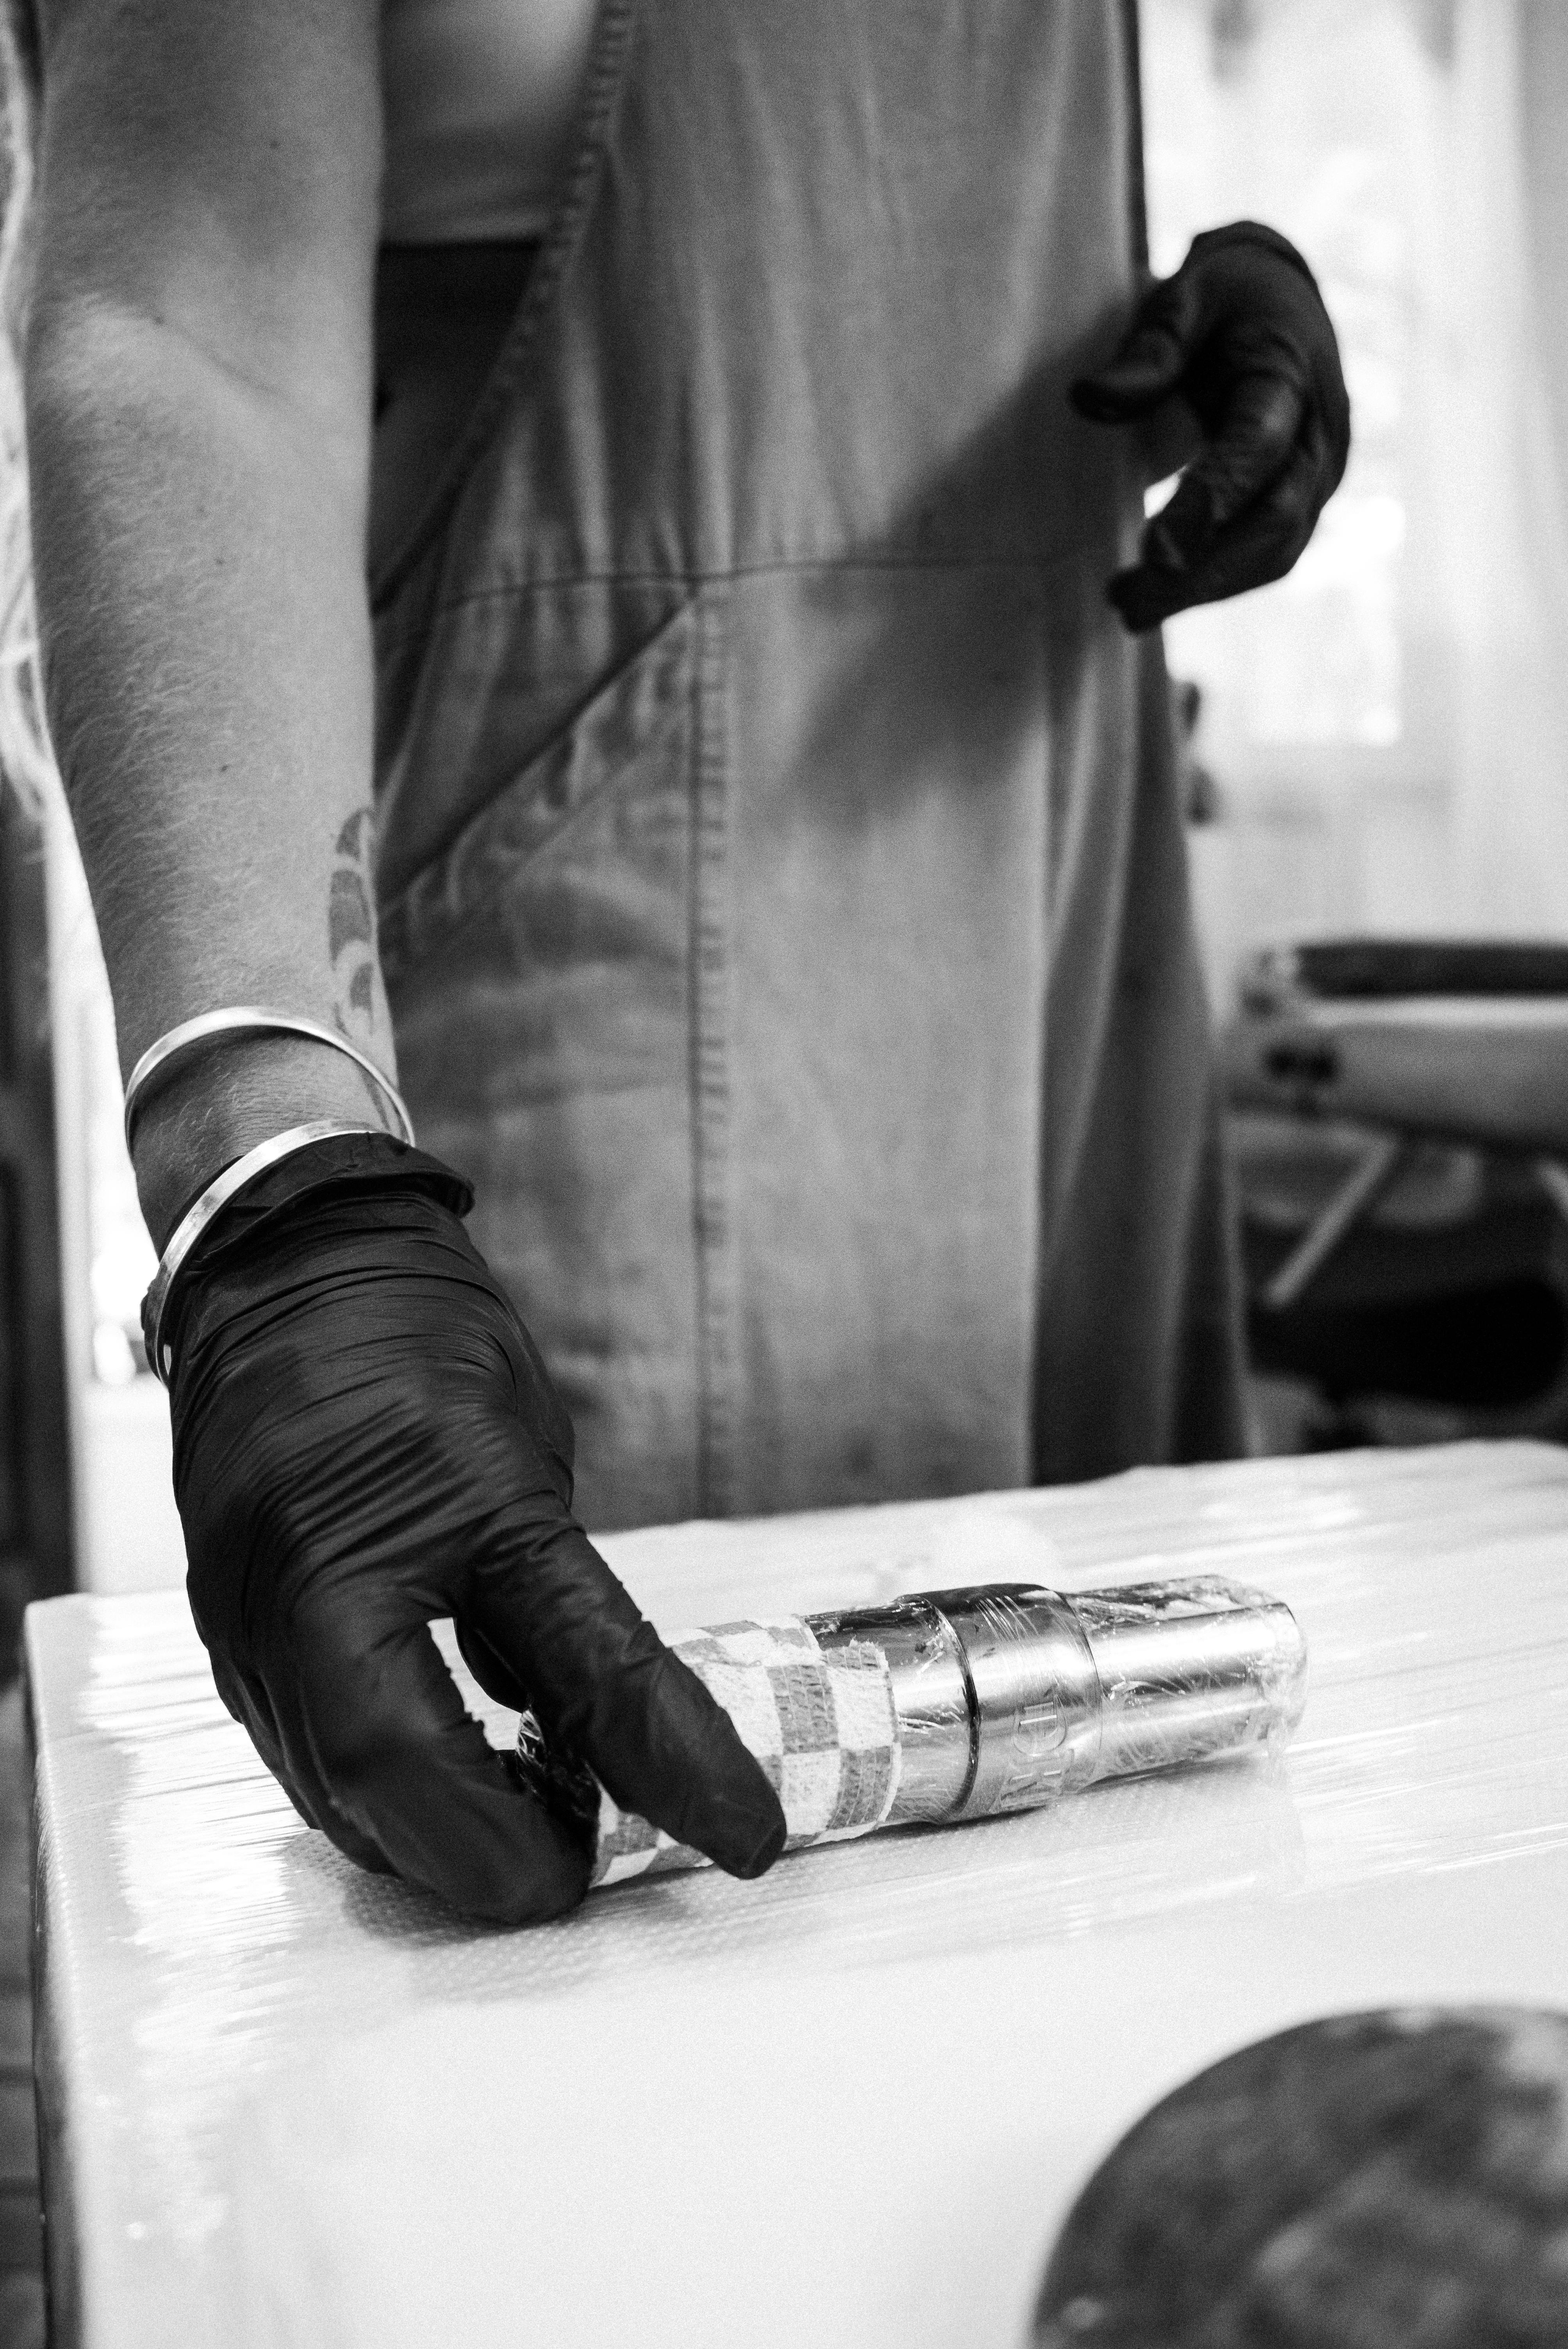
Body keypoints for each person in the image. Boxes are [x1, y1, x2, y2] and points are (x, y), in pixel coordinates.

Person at [5, 0, 1349, 1921]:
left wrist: (1148, 321)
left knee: (1094, 1878)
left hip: (1039, 900)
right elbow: (185, 321)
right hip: (626, 895)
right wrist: (264, 1179)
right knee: (653, 1939)